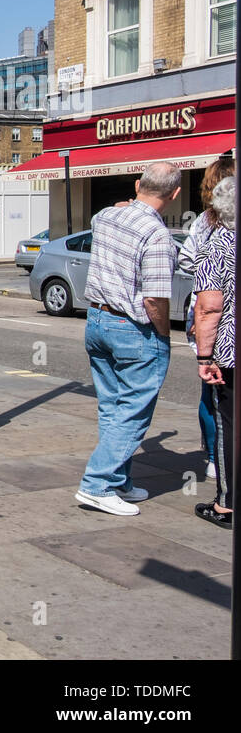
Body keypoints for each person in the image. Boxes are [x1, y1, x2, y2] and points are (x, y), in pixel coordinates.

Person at [76, 163, 182, 516]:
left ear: (138, 184)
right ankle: (97, 484)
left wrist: (126, 204)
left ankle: (117, 481)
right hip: (133, 328)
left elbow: (107, 214)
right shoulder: (157, 236)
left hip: (97, 320)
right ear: (175, 194)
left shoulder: (105, 217)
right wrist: (163, 335)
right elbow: (154, 299)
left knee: (113, 407)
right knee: (134, 412)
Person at [177, 157, 235, 480]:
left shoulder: (203, 223)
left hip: (213, 323)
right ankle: (217, 457)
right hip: (215, 321)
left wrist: (208, 276)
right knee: (219, 394)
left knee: (212, 393)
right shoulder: (208, 224)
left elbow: (187, 262)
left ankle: (216, 458)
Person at [192, 175, 235, 530]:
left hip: (231, 353)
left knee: (230, 424)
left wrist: (205, 359)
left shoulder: (217, 246)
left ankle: (227, 505)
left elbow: (208, 307)